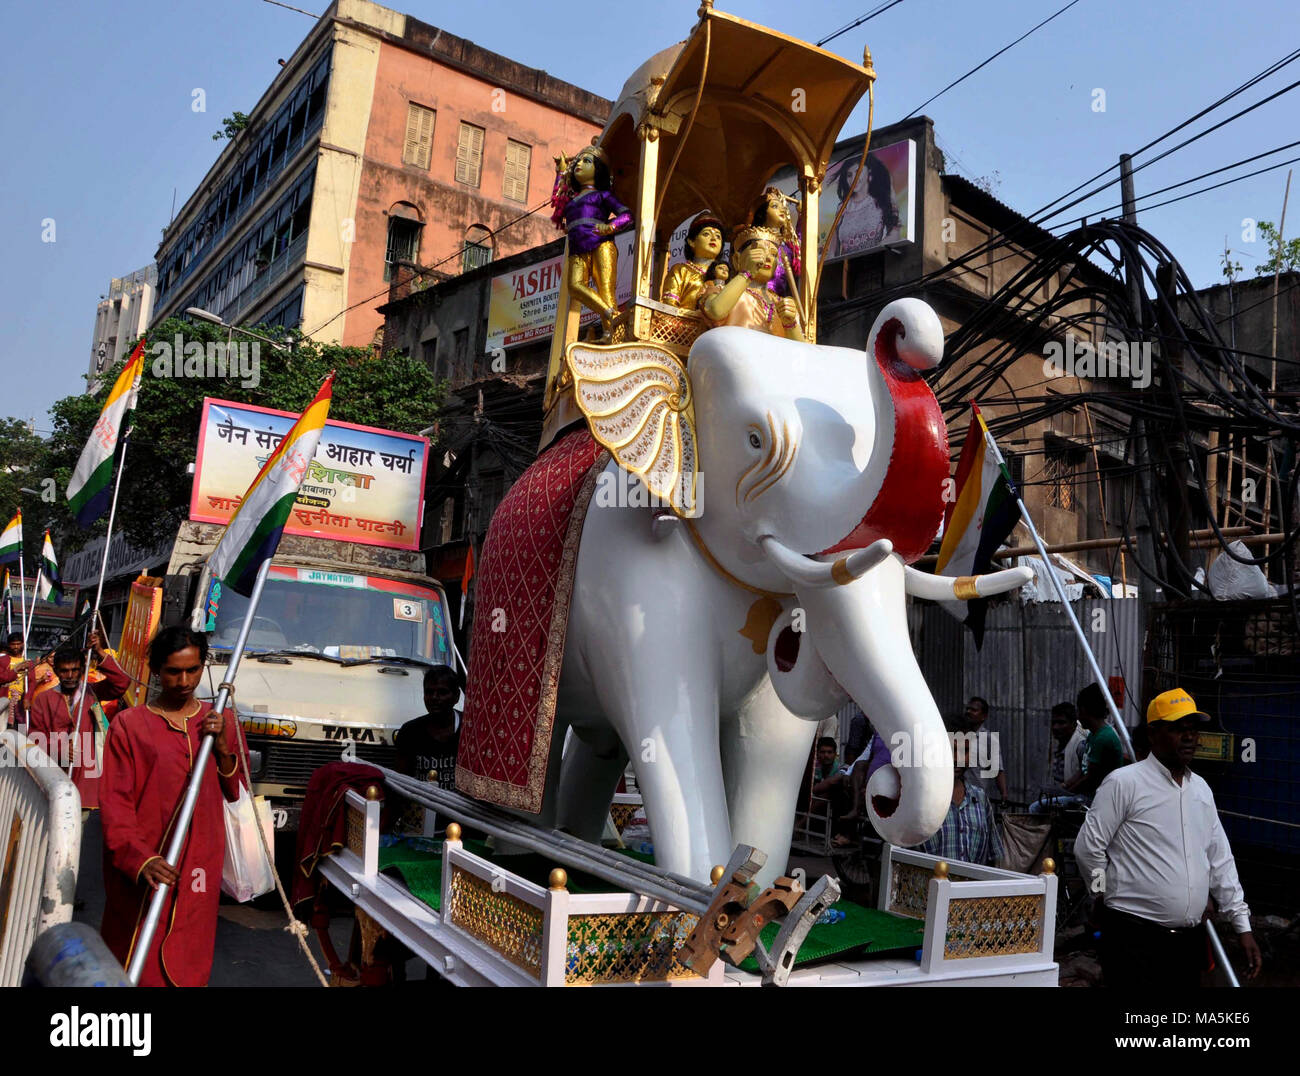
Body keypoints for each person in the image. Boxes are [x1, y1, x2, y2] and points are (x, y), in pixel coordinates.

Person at [1074, 688, 1263, 986]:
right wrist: (1102, 893)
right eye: (1177, 729)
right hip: (1133, 938)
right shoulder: (1125, 784)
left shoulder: (1200, 790)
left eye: (1193, 729)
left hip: (1187, 942)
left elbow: (1220, 859)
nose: (1188, 737)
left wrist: (1242, 926)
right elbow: (1088, 848)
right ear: (1153, 734)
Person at [100, 626, 247, 987]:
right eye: (173, 671)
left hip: (200, 860)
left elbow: (235, 790)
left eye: (193, 670)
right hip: (148, 861)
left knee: (190, 954)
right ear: (155, 670)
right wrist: (140, 858)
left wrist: (224, 748)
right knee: (137, 958)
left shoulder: (221, 719)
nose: (184, 681)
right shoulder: (130, 725)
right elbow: (115, 803)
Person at [26, 632, 128, 809]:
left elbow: (122, 682)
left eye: (75, 670)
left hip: (87, 777)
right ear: (56, 671)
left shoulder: (91, 692)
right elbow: (34, 737)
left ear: (82, 670)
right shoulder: (45, 698)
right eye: (64, 671)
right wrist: (60, 749)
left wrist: (99, 652)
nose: (70, 675)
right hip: (55, 773)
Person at [550, 144, 633, 338]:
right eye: (578, 161)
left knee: (606, 290)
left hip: (601, 244)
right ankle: (610, 315)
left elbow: (627, 215)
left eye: (586, 161)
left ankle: (613, 336)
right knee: (574, 286)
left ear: (598, 170)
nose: (579, 164)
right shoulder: (572, 200)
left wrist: (611, 227)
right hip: (577, 248)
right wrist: (561, 171)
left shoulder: (603, 194)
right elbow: (558, 195)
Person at [914, 719, 1004, 867]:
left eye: (965, 751)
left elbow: (994, 857)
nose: (958, 758)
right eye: (951, 749)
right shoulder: (920, 799)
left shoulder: (980, 799)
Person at [699, 226, 804, 340]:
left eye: (773, 254)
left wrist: (790, 324)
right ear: (737, 260)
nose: (767, 257)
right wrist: (747, 273)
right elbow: (715, 311)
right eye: (759, 250)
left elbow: (802, 353)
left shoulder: (781, 303)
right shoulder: (719, 289)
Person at [395, 665, 462, 791]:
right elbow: (401, 784)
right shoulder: (409, 732)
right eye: (429, 692)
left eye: (442, 692)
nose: (434, 698)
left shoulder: (469, 731)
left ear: (456, 696)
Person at [825, 153, 900, 260]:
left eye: (858, 172)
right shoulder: (842, 207)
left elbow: (895, 233)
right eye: (849, 175)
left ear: (868, 172)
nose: (853, 179)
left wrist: (877, 250)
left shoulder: (881, 200)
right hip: (846, 270)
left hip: (874, 263)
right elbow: (832, 249)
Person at [1063, 683, 1126, 800]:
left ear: (1084, 710)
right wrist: (1065, 786)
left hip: (1098, 798)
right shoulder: (1093, 735)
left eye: (1079, 710)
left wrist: (1066, 794)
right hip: (1089, 794)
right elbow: (1083, 771)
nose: (1078, 717)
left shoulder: (1104, 738)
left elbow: (1090, 779)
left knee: (1036, 808)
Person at [1028, 702, 1090, 813]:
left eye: (1061, 723)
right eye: (1054, 723)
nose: (1056, 727)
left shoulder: (1080, 744)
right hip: (1065, 794)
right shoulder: (1062, 745)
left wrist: (1064, 790)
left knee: (1035, 809)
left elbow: (1085, 776)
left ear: (1073, 724)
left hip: (1079, 798)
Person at [661, 212, 725, 311]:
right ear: (692, 242)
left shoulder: (725, 275)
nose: (713, 239)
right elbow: (669, 306)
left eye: (718, 236)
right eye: (706, 234)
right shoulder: (681, 270)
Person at [748, 186, 801, 297]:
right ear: (763, 213)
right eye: (775, 206)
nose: (782, 210)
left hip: (779, 304)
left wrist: (802, 216)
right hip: (755, 299)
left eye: (783, 208)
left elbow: (802, 252)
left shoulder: (786, 248)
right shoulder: (754, 242)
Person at [962, 696, 1008, 800]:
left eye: (974, 710)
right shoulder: (957, 734)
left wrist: (1004, 795)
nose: (968, 712)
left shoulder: (989, 739)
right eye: (967, 709)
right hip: (956, 793)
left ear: (983, 716)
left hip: (977, 796)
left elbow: (997, 769)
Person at [1, 632, 31, 727]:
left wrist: (27, 698)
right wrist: (16, 669)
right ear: (9, 645)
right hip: (5, 698)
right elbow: (2, 677)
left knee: (21, 725)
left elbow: (32, 682)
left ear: (22, 644)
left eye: (18, 644)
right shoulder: (3, 660)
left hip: (21, 700)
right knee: (4, 725)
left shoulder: (27, 662)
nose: (16, 647)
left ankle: (21, 741)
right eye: (13, 644)